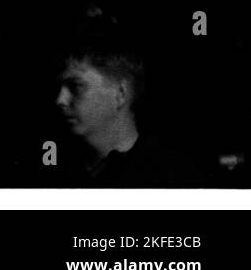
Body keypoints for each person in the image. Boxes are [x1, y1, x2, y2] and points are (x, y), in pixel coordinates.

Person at [54, 18, 203, 187]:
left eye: (75, 86)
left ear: (120, 93)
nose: (60, 100)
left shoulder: (173, 178)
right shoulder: (57, 171)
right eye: (59, 88)